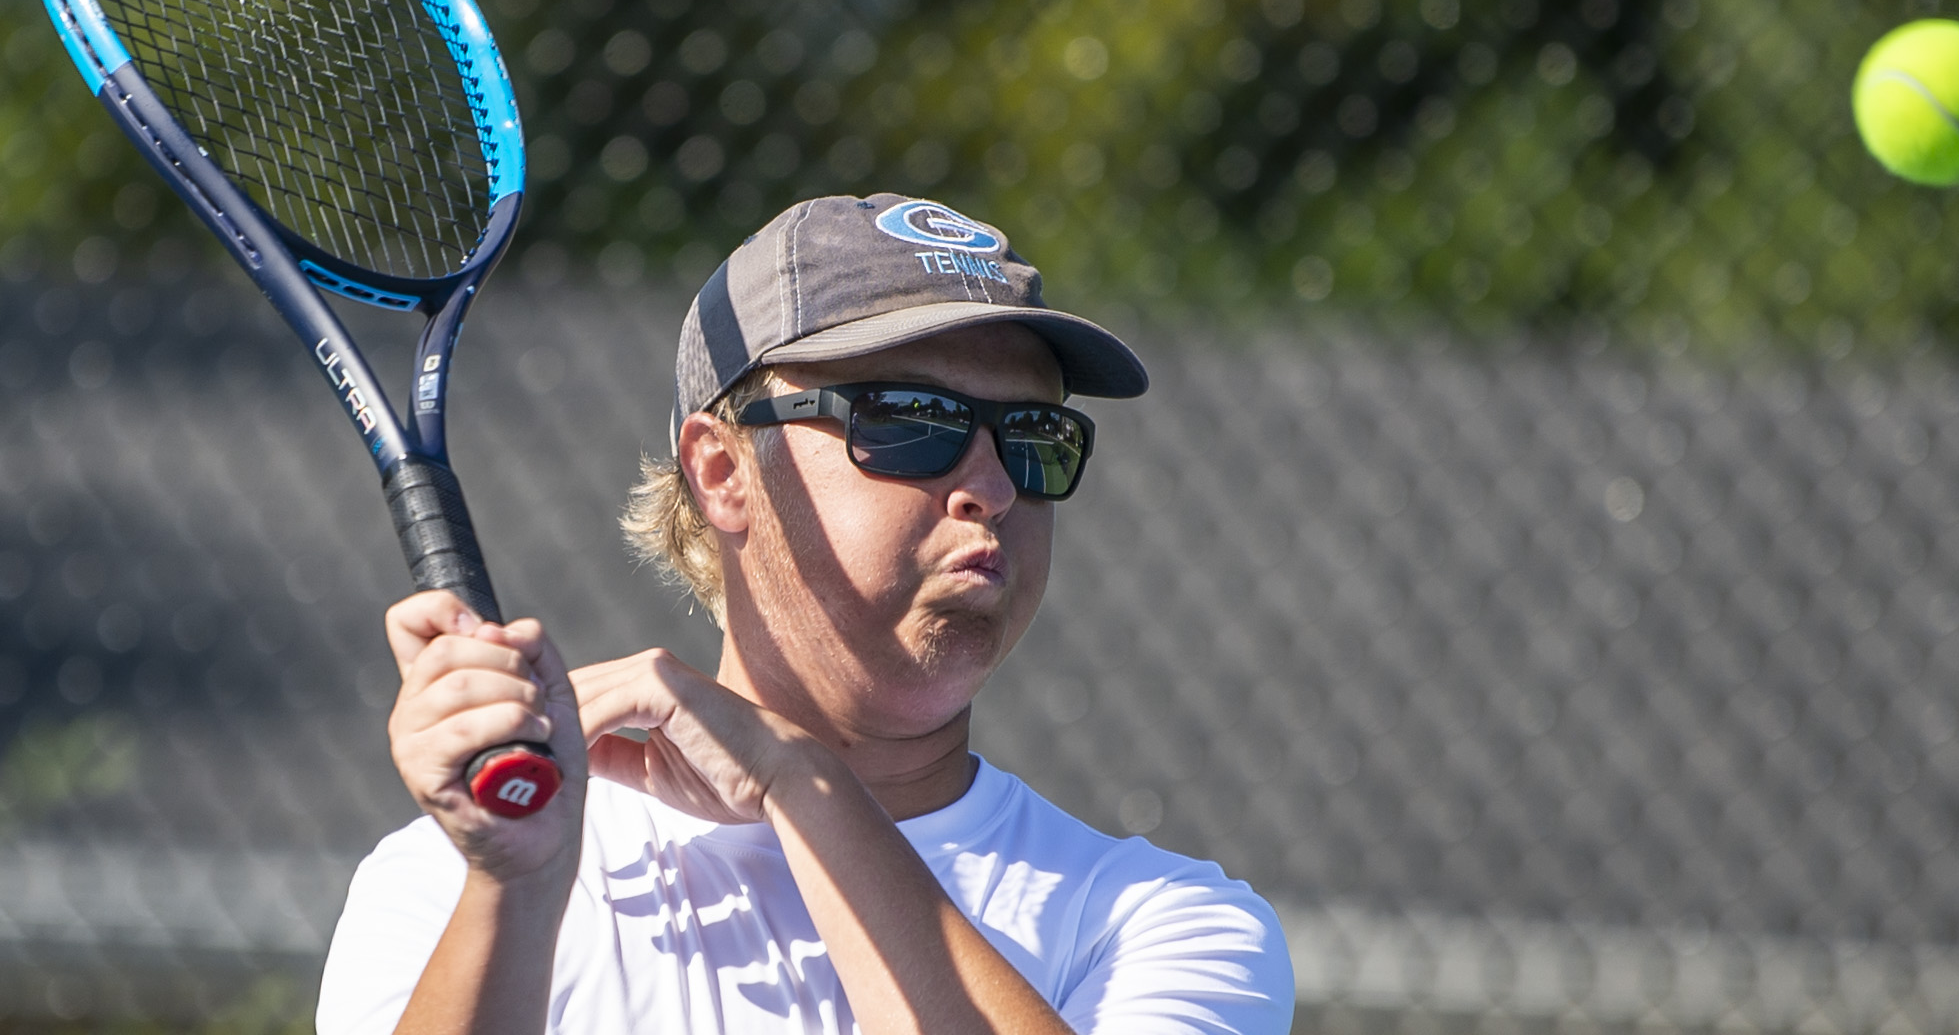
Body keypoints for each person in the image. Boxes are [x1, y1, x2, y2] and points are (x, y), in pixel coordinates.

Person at [317, 194, 1294, 1034]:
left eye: (1035, 438)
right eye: (912, 422)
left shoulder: (1166, 919)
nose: (992, 485)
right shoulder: (454, 882)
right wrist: (516, 886)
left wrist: (801, 782)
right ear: (722, 470)